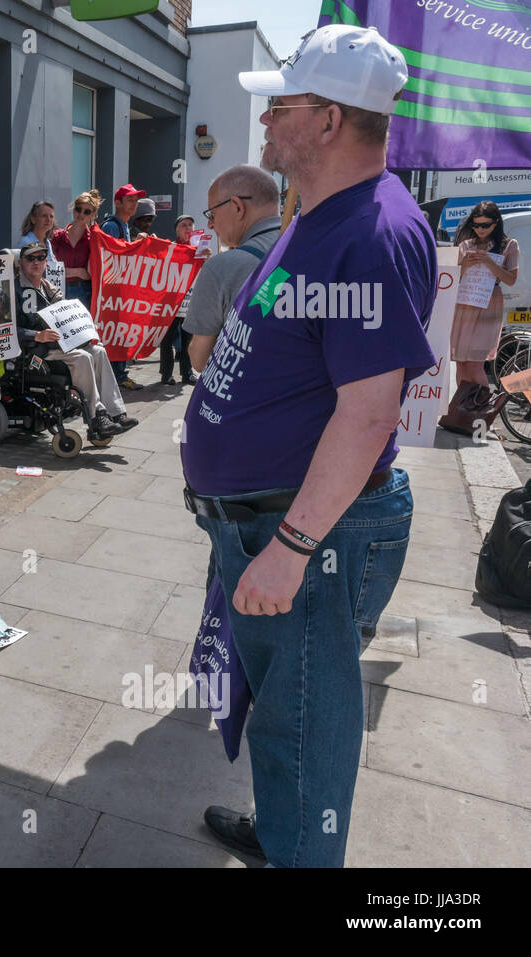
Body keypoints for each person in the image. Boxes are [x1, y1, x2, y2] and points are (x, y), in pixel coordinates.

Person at [184, 25, 436, 867]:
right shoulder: (318, 212)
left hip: (307, 535)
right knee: (285, 713)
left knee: (307, 721)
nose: (264, 123)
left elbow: (369, 416)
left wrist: (290, 547)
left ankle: (304, 851)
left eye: (279, 107)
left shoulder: (369, 230)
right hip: (265, 522)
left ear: (327, 120)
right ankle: (286, 829)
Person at [16, 240, 137, 442]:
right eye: (30, 258)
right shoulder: (14, 290)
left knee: (99, 350)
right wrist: (36, 335)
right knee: (82, 357)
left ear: (46, 262)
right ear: (21, 262)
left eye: (41, 257)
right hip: (37, 350)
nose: (36, 262)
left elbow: (66, 316)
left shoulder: (50, 289)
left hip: (60, 344)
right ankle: (97, 415)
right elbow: (8, 330)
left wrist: (84, 328)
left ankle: (116, 413)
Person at [185, 165, 282, 373]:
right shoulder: (315, 249)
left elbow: (200, 360)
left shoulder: (222, 268)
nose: (210, 225)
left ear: (237, 207)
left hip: (250, 397)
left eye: (212, 214)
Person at [443, 200, 520, 429]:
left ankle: (481, 414)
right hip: (464, 302)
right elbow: (451, 278)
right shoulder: (466, 244)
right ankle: (461, 411)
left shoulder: (509, 245)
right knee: (462, 362)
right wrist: (464, 264)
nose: (480, 230)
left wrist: (489, 262)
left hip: (488, 304)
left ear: (496, 223)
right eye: (476, 225)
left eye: (485, 225)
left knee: (475, 364)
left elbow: (510, 279)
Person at [100, 184, 146, 389]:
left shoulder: (124, 226)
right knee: (115, 333)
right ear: (118, 202)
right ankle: (117, 376)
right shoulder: (112, 226)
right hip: (113, 290)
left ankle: (119, 375)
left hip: (121, 290)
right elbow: (110, 256)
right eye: (130, 200)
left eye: (136, 200)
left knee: (120, 333)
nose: (134, 204)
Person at [159, 214, 200, 385]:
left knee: (187, 339)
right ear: (177, 229)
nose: (188, 228)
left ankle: (187, 372)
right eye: (184, 225)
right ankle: (167, 374)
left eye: (190, 224)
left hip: (190, 302)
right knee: (167, 339)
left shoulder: (199, 250)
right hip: (172, 302)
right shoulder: (171, 247)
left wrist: (206, 258)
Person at [50, 191, 98, 307]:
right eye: (78, 209)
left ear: (92, 215)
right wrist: (78, 272)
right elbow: (49, 267)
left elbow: (94, 272)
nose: (81, 213)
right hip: (58, 290)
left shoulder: (93, 239)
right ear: (73, 209)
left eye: (87, 212)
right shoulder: (57, 236)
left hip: (83, 291)